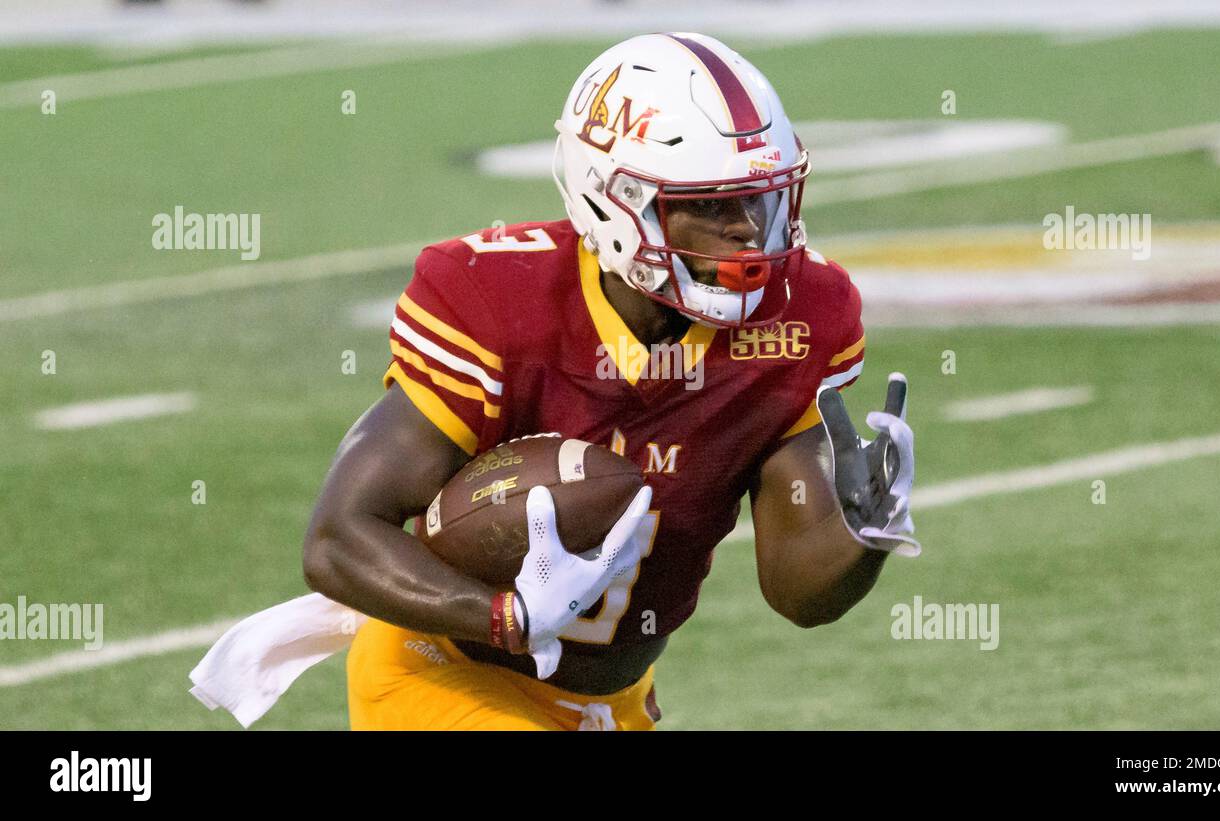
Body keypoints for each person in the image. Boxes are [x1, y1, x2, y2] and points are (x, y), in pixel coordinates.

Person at [301, 32, 920, 731]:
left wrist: (864, 538)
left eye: (757, 199)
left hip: (614, 699)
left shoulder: (795, 321)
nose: (748, 230)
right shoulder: (497, 302)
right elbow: (337, 537)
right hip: (446, 670)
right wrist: (505, 615)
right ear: (613, 200)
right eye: (711, 204)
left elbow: (796, 591)